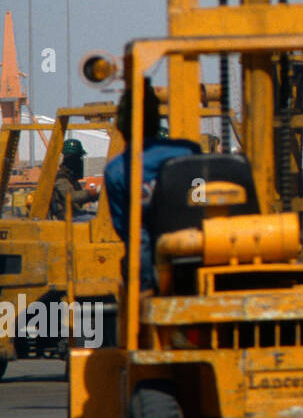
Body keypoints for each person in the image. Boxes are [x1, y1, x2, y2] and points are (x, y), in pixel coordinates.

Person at [103, 81, 201, 292]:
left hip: (153, 267)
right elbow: (201, 197)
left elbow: (126, 229)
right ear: (156, 121)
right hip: (201, 253)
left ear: (121, 125)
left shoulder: (118, 170)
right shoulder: (189, 151)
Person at [50, 138, 97, 221]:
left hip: (74, 214)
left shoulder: (70, 179)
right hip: (67, 217)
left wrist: (96, 195)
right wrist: (93, 193)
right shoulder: (61, 178)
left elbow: (79, 200)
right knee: (100, 222)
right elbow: (72, 196)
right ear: (71, 160)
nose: (80, 162)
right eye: (78, 158)